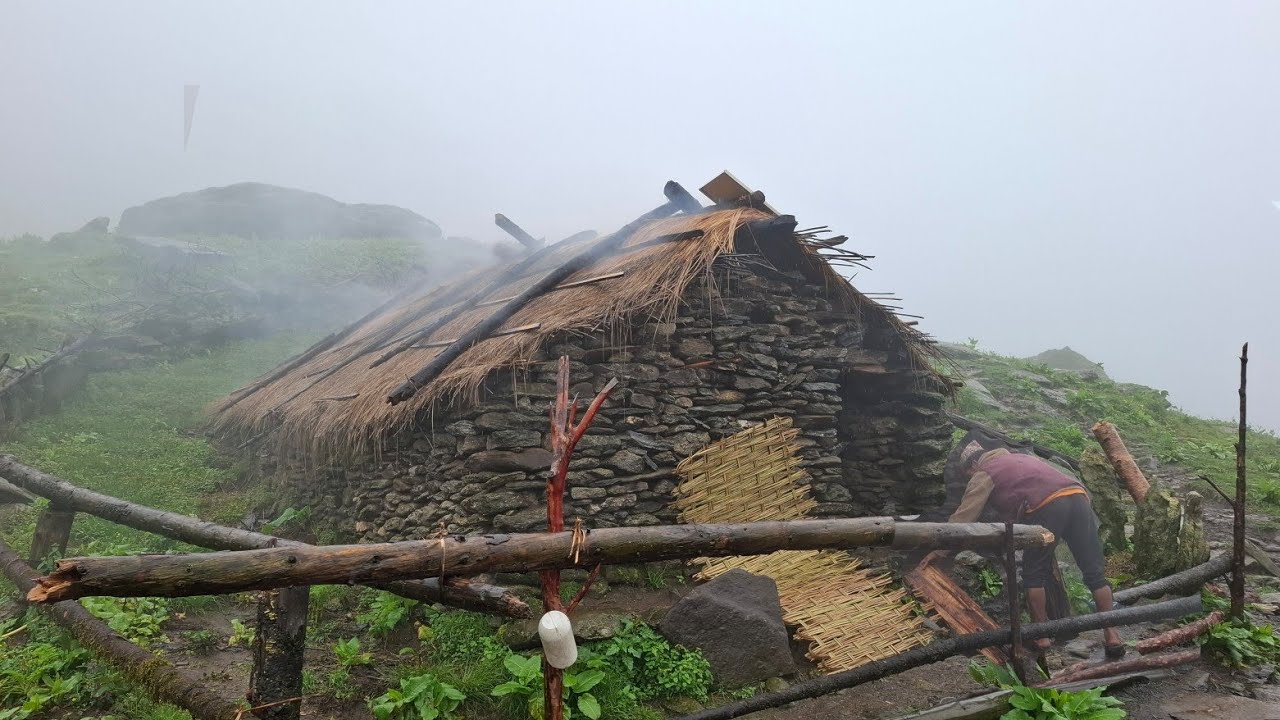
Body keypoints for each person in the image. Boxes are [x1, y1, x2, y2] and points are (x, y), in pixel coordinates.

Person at [948, 440, 1125, 658]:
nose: (970, 477)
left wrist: (938, 548)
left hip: (1047, 504)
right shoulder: (1023, 458)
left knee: (1034, 573)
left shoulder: (985, 471)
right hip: (1077, 496)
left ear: (974, 463)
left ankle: (1041, 636)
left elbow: (965, 515)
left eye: (969, 473)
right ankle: (1112, 635)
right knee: (1095, 572)